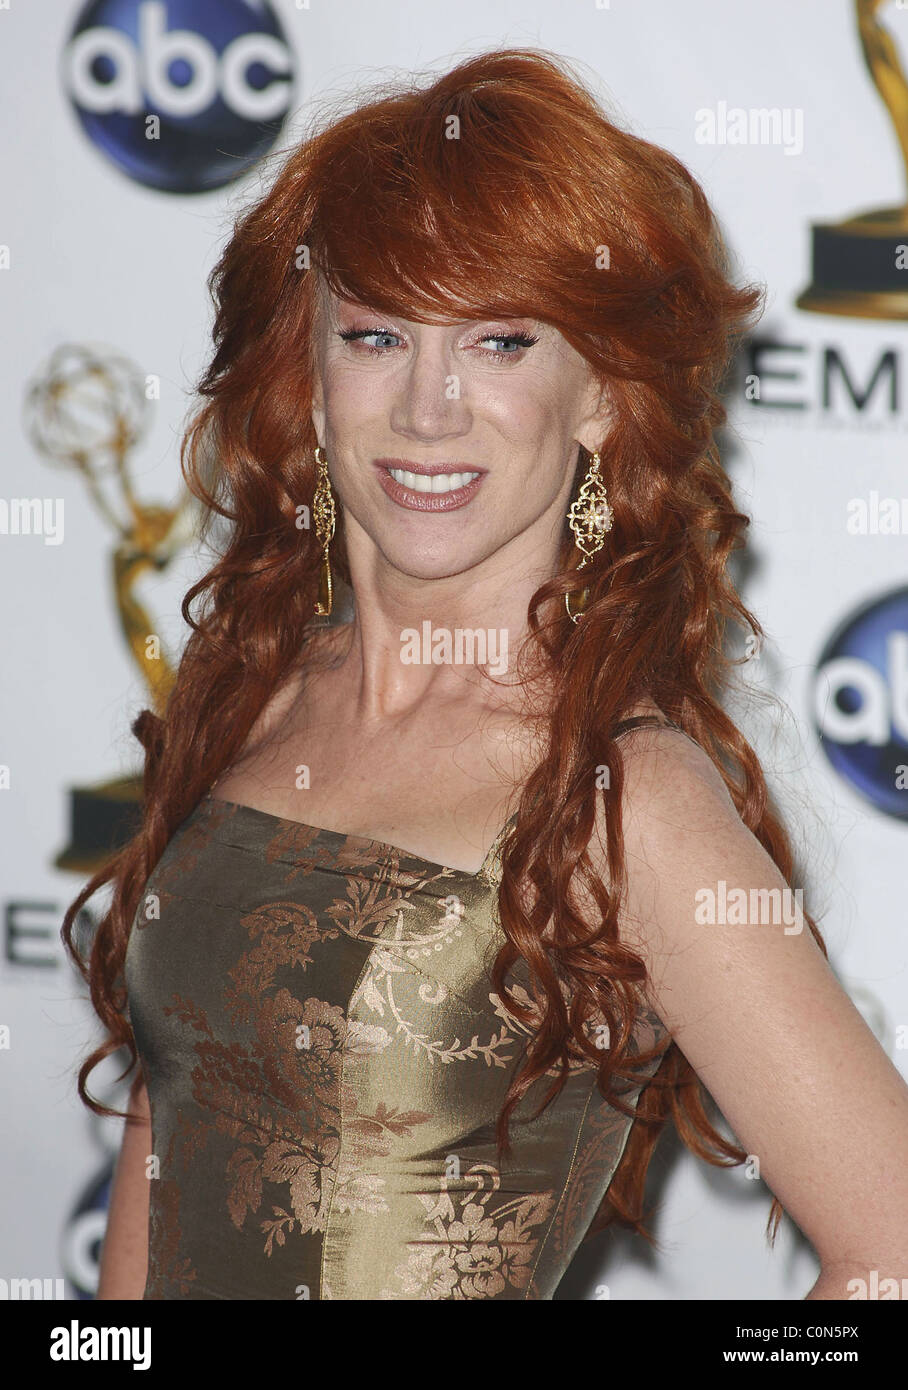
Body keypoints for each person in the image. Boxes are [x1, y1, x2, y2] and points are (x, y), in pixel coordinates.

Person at [63, 47, 908, 1302]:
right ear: (309, 372)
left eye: (501, 343)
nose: (426, 407)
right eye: (376, 334)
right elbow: (170, 1122)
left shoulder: (626, 797)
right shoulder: (254, 691)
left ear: (603, 402)